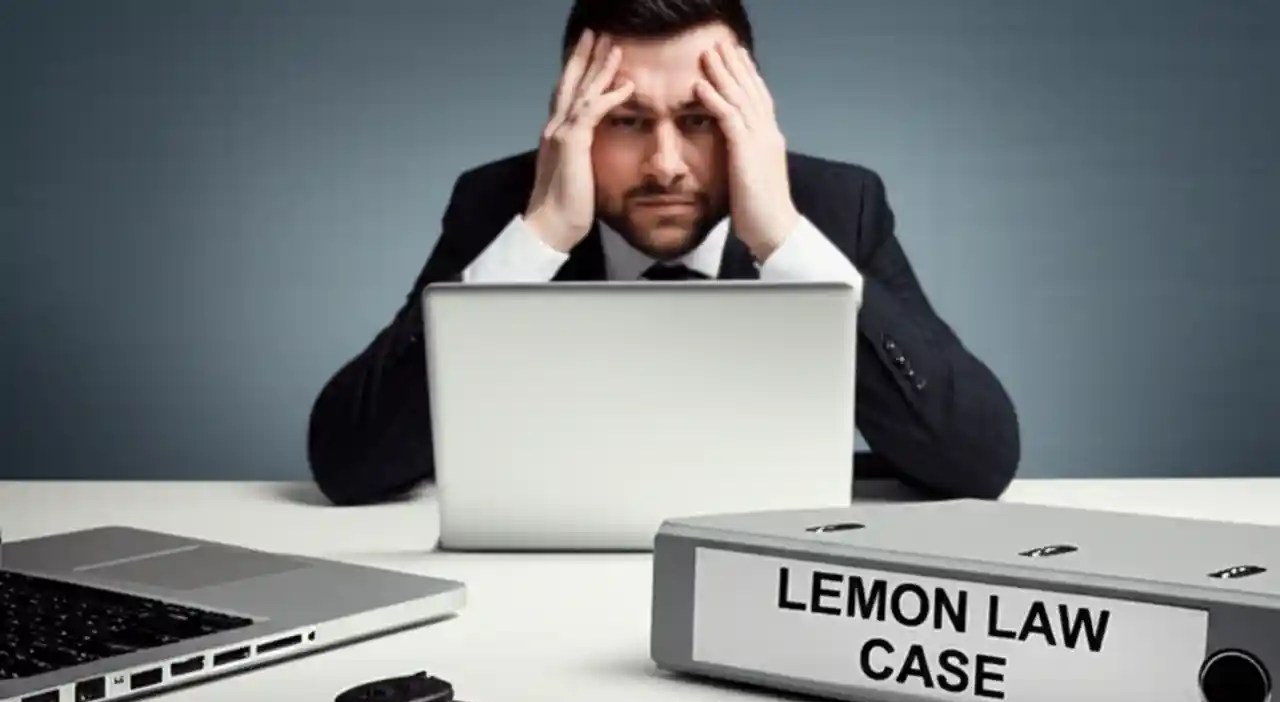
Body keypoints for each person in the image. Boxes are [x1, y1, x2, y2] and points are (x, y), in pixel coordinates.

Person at [306, 0, 1021, 506]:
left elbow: (975, 460)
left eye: (700, 120)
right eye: (626, 121)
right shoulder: (503, 205)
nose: (666, 164)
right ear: (570, 120)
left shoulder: (835, 206)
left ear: (751, 118)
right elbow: (349, 462)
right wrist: (541, 235)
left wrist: (785, 240)